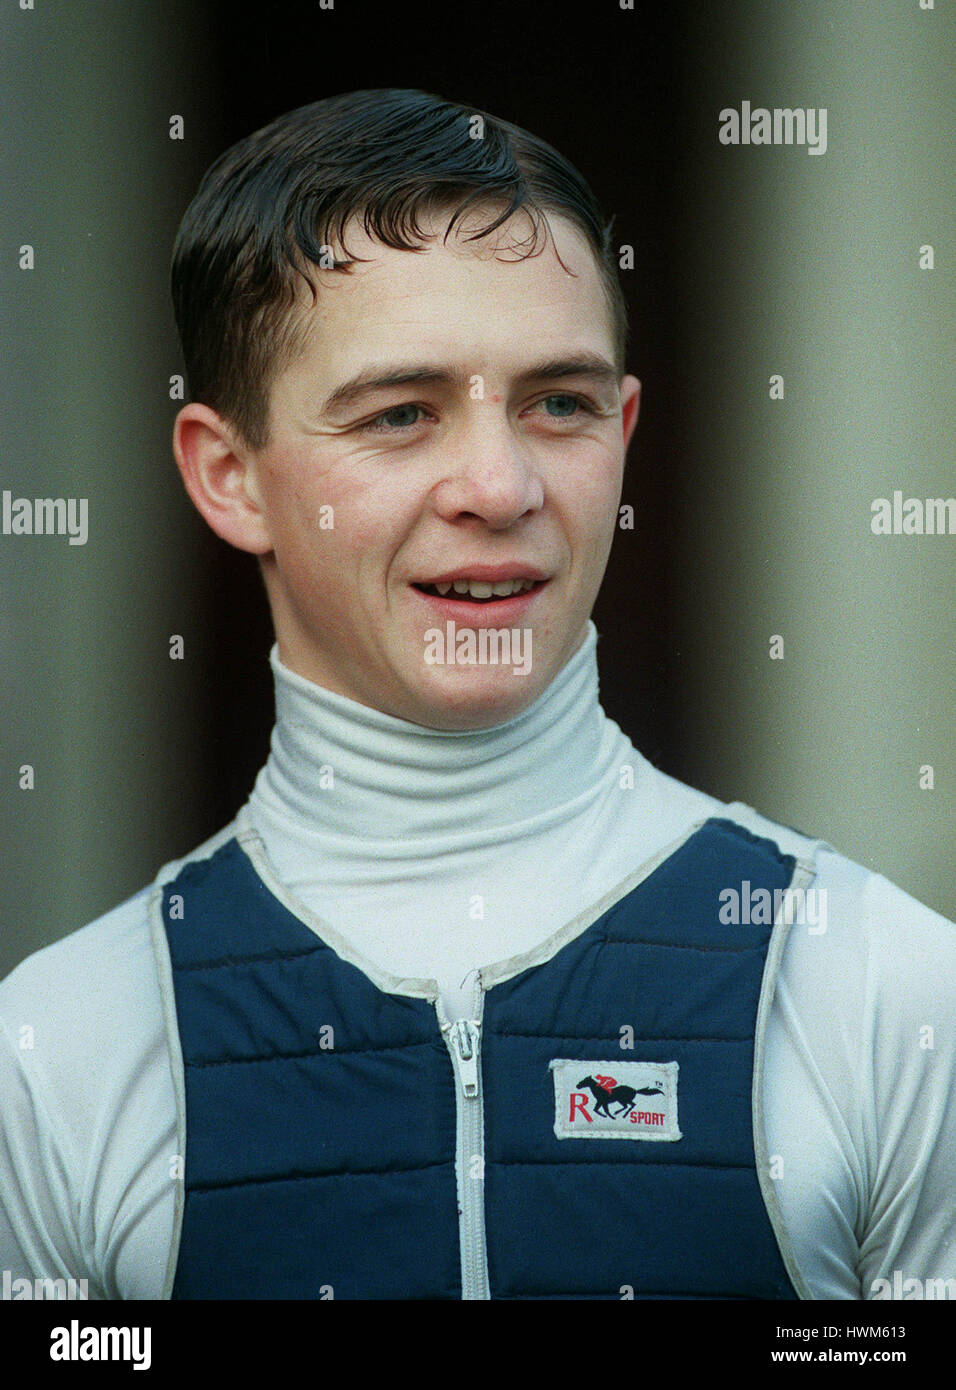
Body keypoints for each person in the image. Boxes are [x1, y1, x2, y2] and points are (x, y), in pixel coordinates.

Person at [1, 88, 953, 1302]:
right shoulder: (59, 1044)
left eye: (559, 403)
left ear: (624, 429)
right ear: (229, 476)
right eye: (401, 413)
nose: (498, 486)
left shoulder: (885, 988)